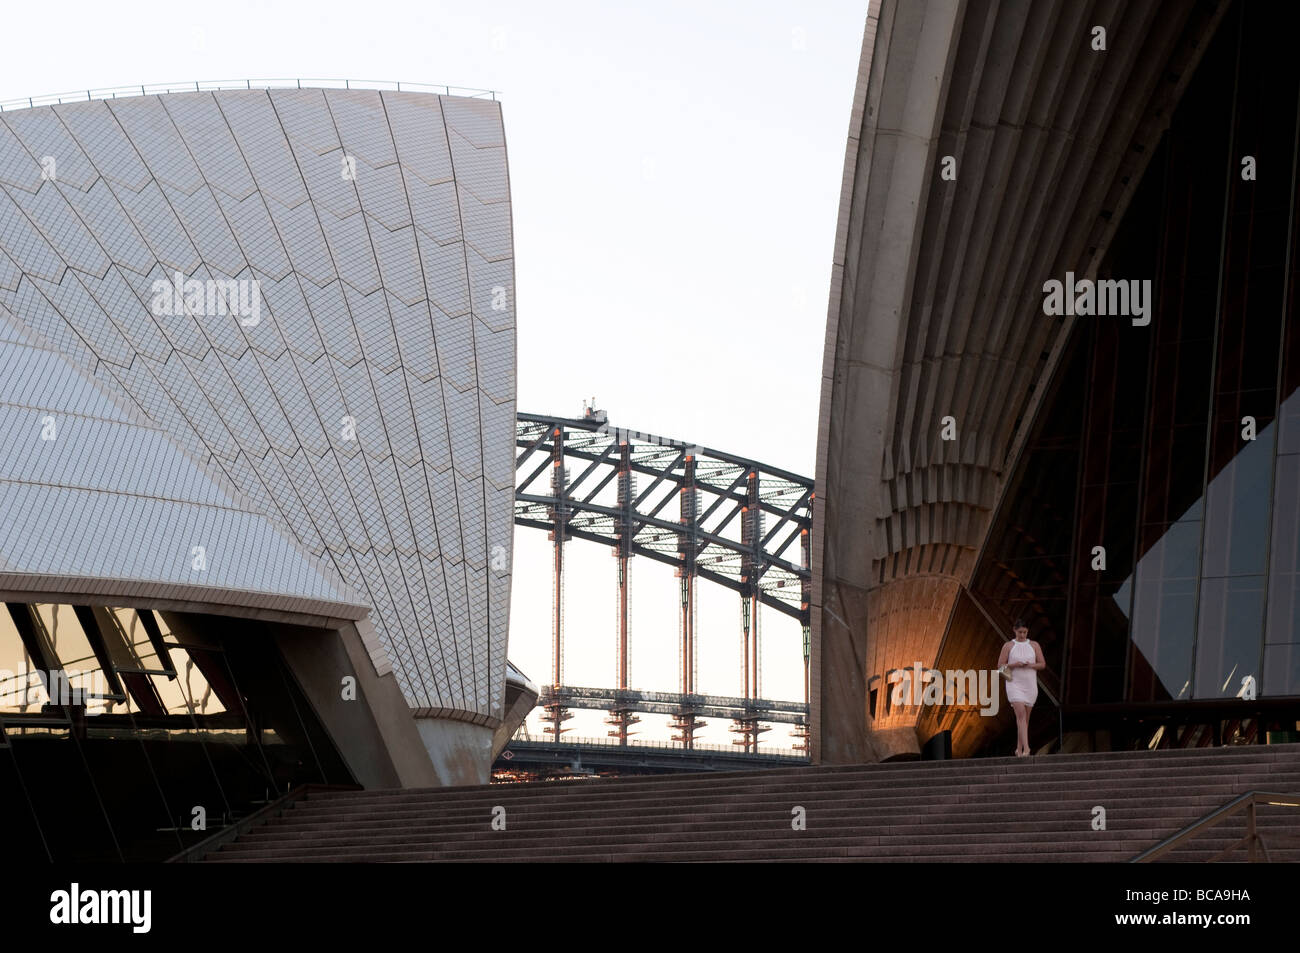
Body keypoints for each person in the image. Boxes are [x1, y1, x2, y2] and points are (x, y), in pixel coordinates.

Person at [997, 618, 1044, 757]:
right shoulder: (1008, 646)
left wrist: (1030, 665)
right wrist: (1014, 664)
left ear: (1027, 631)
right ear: (1014, 630)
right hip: (1014, 684)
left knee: (1024, 720)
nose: (1022, 635)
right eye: (1020, 632)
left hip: (1030, 684)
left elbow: (1042, 664)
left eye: (1024, 632)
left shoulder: (1034, 645)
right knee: (1021, 716)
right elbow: (999, 666)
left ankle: (1019, 748)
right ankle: (1027, 749)